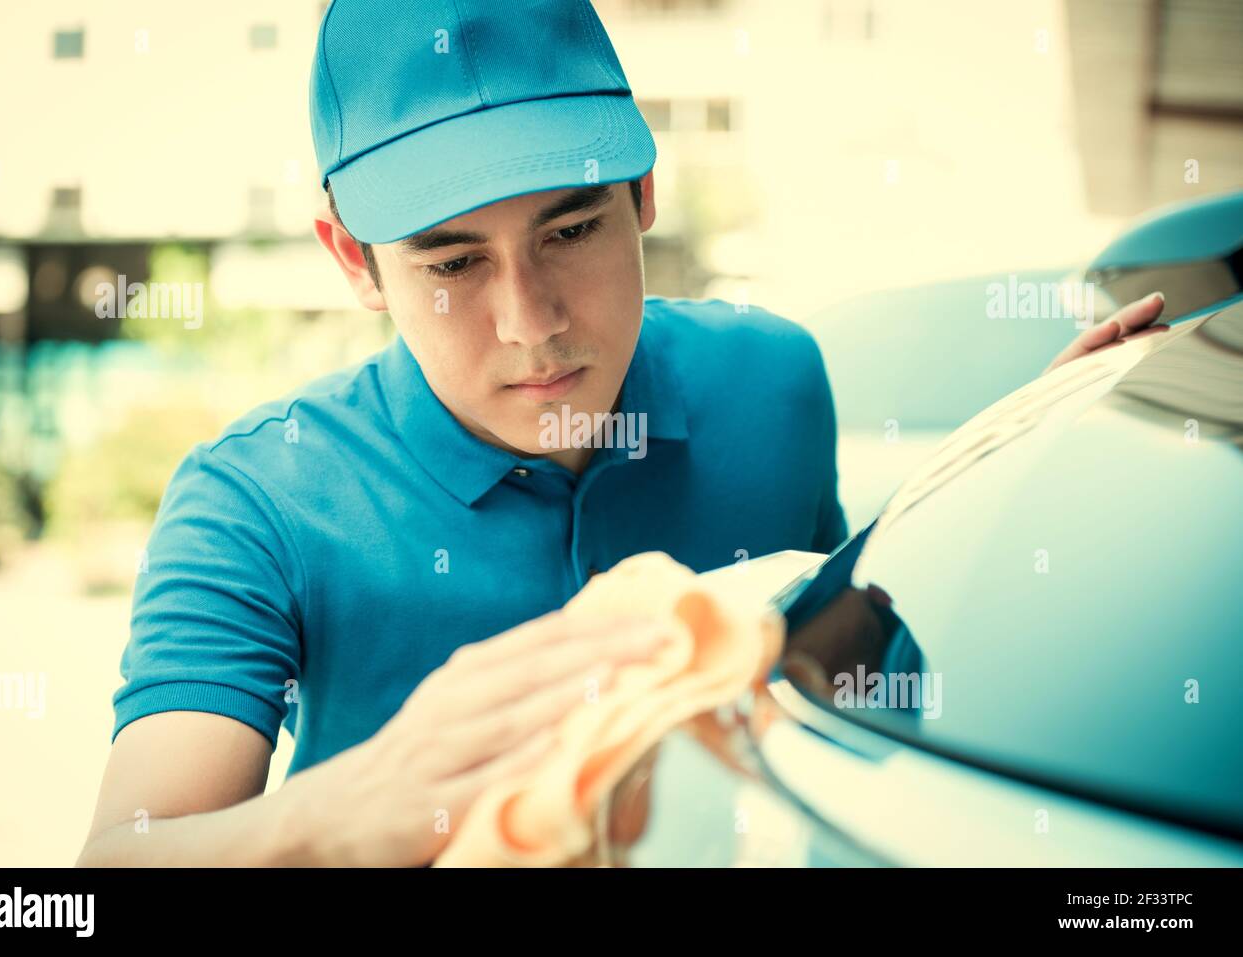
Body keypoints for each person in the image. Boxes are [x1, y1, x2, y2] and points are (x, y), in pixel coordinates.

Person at [77, 0, 1165, 867]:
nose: (531, 320)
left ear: (644, 194)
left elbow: (813, 662)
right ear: (352, 261)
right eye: (452, 262)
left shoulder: (770, 379)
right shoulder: (257, 499)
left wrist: (994, 487)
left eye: (572, 227)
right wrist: (352, 810)